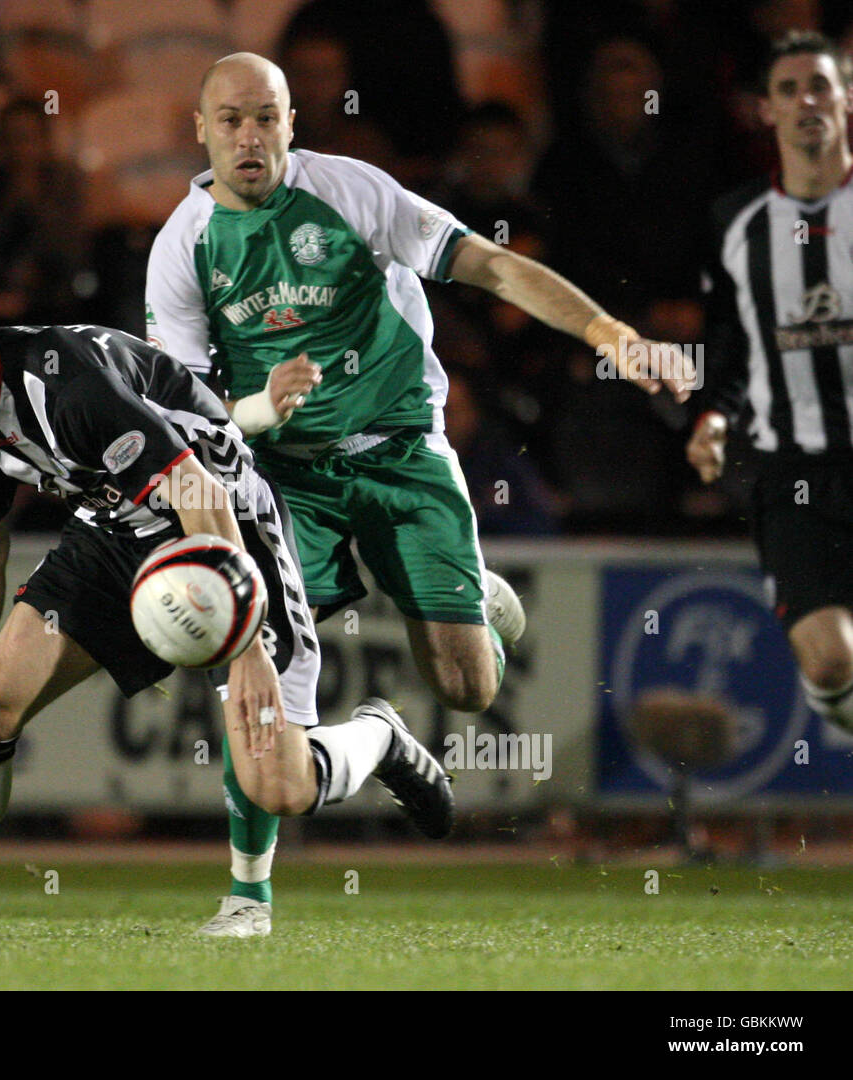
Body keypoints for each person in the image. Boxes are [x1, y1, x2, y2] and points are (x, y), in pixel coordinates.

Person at [146, 52, 693, 937]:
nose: (251, 137)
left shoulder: (356, 192)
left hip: (403, 452)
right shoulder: (182, 248)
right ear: (200, 131)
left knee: (470, 688)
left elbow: (491, 267)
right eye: (232, 120)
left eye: (267, 118)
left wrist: (606, 330)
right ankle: (247, 897)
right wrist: (254, 417)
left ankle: (466, 601)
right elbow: (189, 413)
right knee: (260, 671)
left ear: (292, 124)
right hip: (289, 478)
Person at [0, 278, 454, 937]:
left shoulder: (64, 383)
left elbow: (199, 491)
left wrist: (245, 653)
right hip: (114, 530)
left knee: (281, 783)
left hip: (219, 523)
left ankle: (369, 749)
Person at [687, 30, 853, 738]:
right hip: (793, 472)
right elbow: (728, 345)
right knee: (829, 659)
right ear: (765, 111)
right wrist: (713, 418)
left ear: (846, 99)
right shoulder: (735, 223)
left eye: (820, 85)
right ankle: (838, 717)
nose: (807, 101)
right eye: (789, 90)